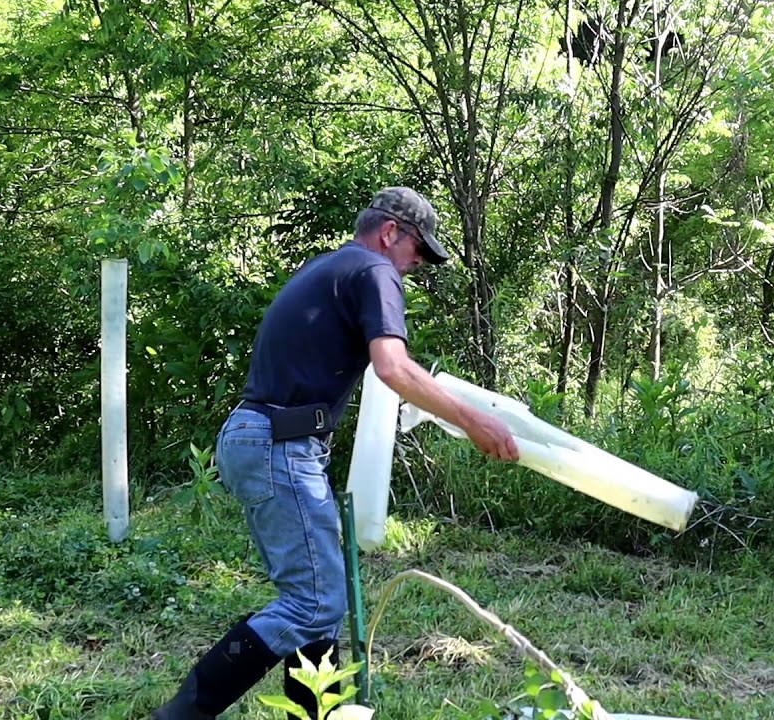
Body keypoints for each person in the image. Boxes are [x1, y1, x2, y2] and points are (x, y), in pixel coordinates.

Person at [152, 187, 520, 719]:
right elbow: (392, 367)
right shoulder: (374, 270)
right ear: (390, 232)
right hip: (281, 445)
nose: (418, 262)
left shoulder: (328, 267)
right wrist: (473, 419)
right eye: (418, 248)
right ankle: (179, 716)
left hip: (259, 438)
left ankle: (315, 716)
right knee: (315, 603)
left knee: (318, 602)